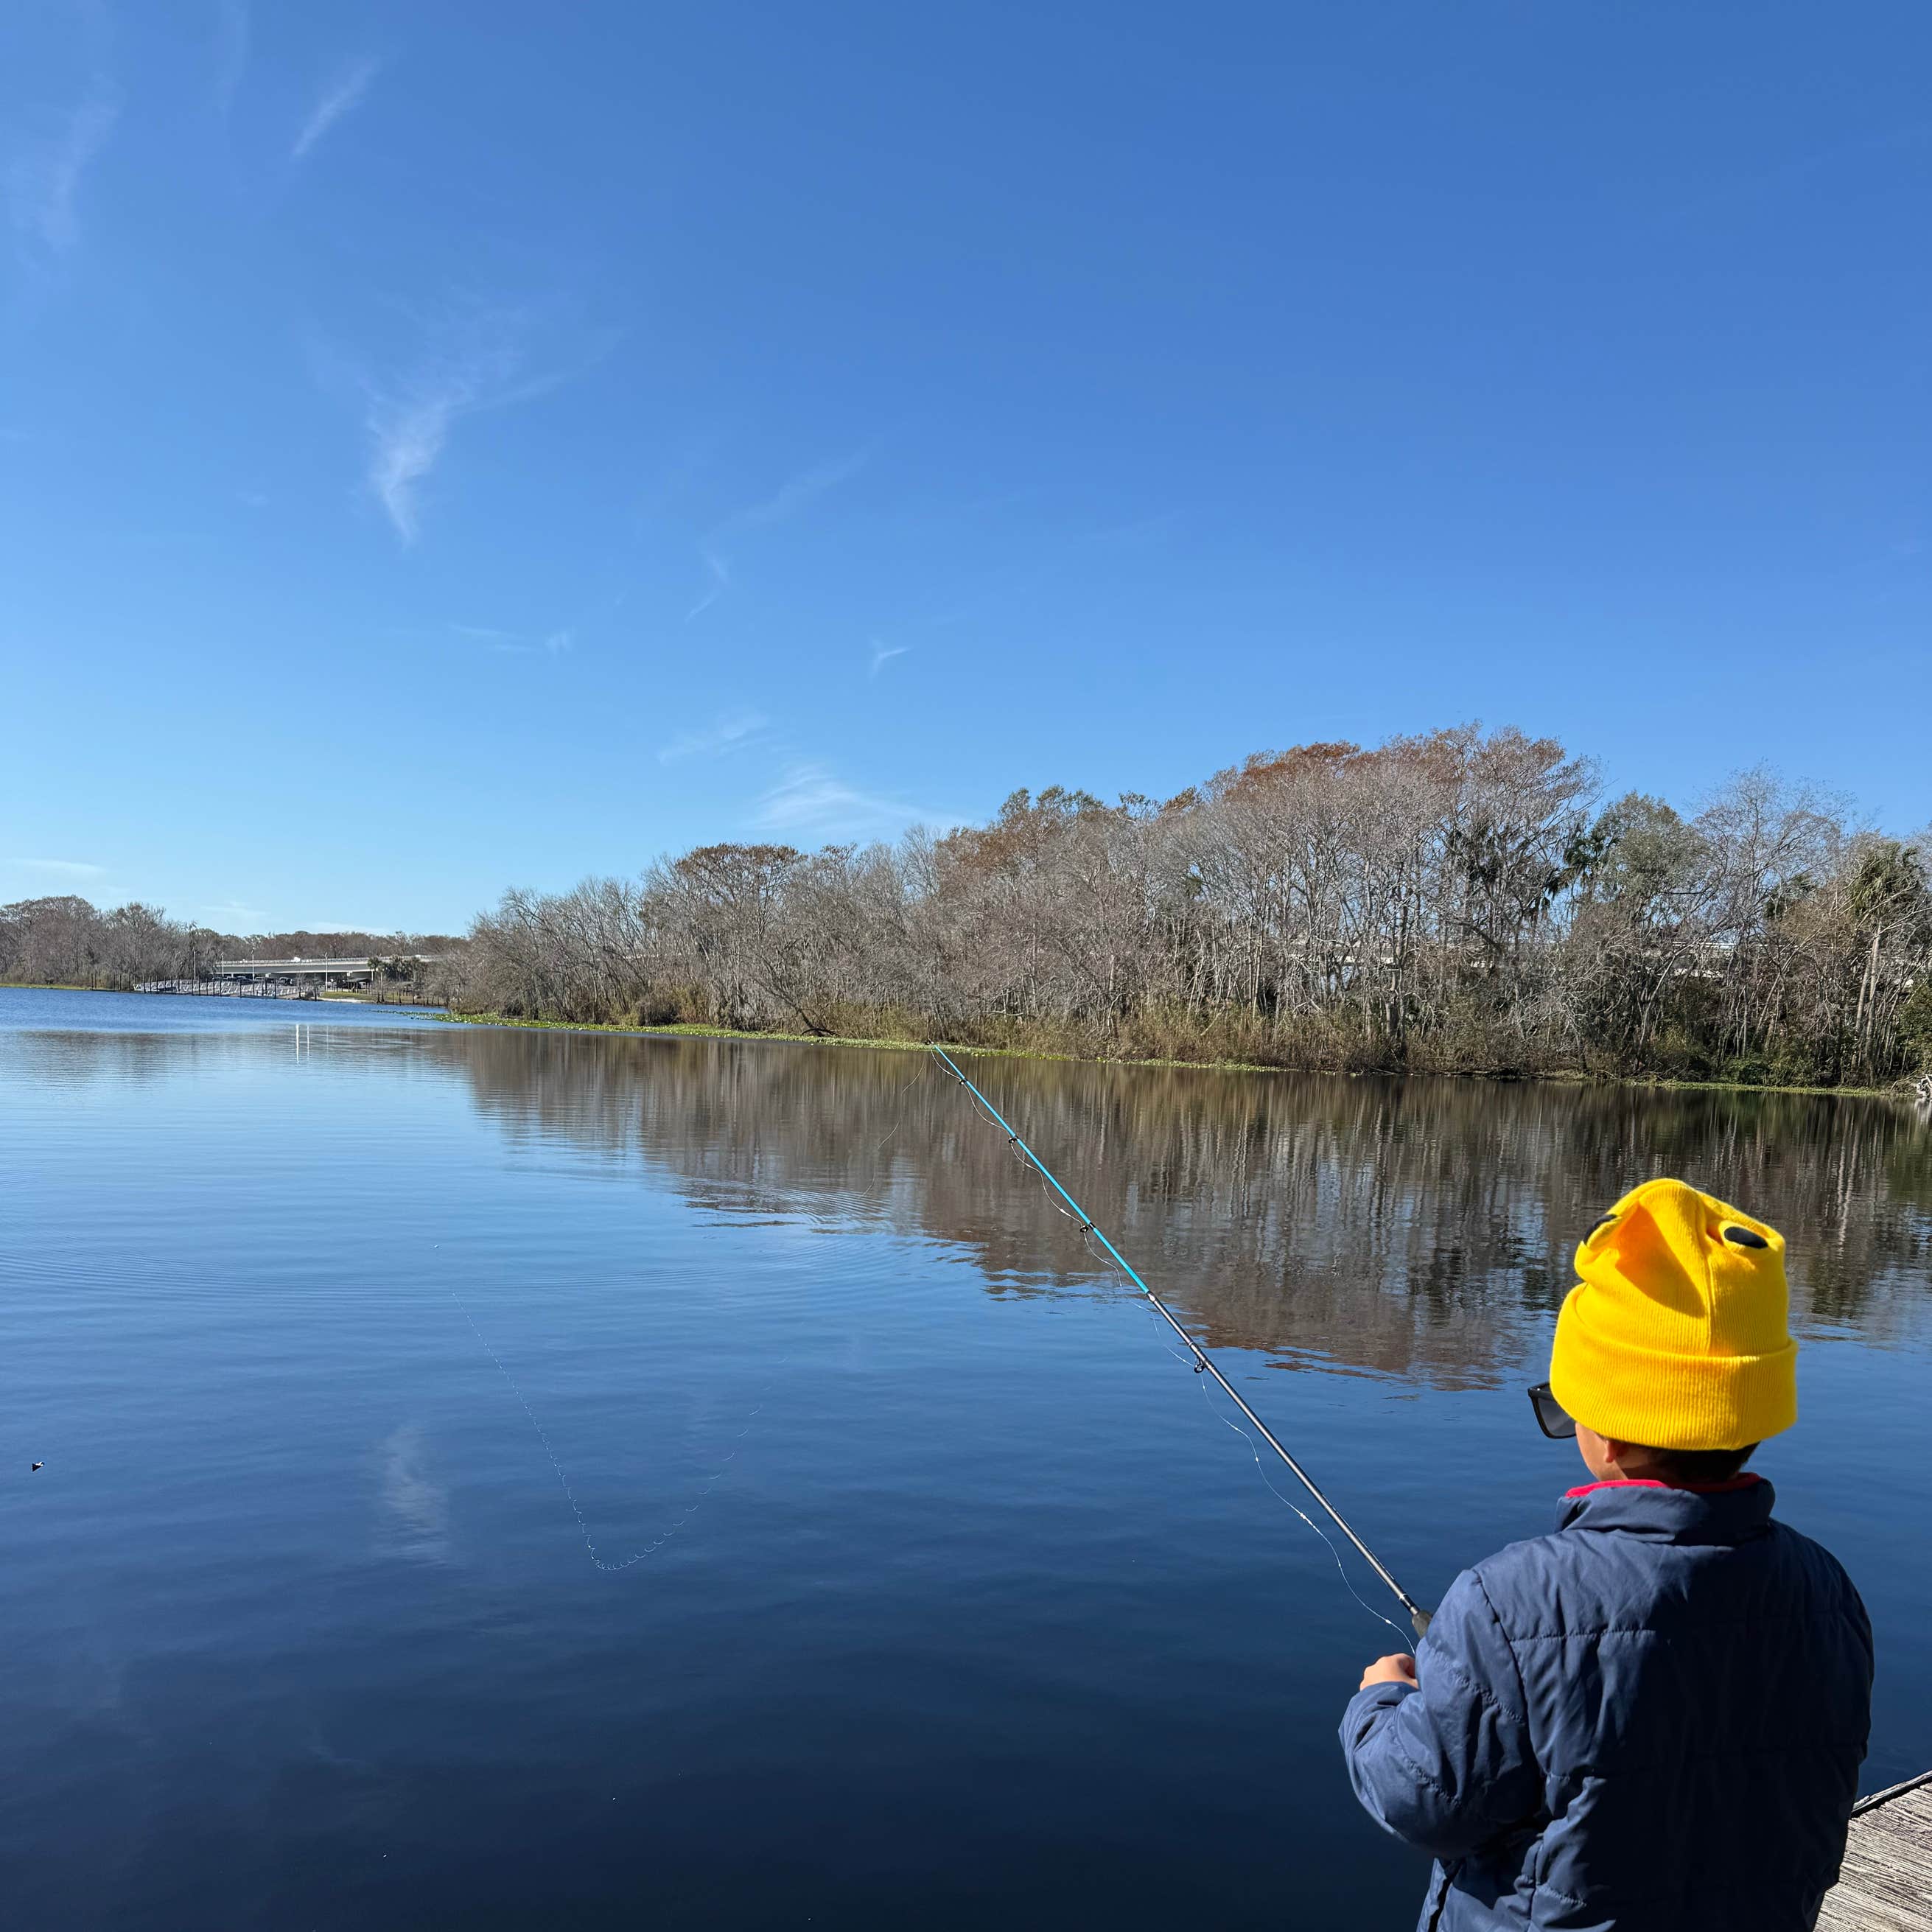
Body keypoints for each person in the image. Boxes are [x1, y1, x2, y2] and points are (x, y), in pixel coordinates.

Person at [1340, 1177, 1873, 1931]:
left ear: (1611, 1430)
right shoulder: (1828, 1591)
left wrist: (1380, 1701)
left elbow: (1423, 1801)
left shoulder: (1506, 1605)